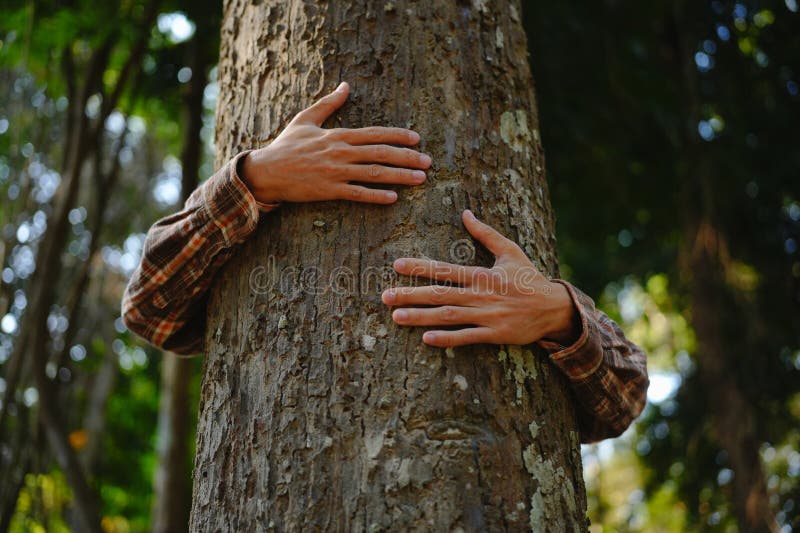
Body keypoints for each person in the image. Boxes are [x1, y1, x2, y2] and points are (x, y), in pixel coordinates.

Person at [121, 82, 648, 443]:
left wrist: (558, 314)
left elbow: (625, 400)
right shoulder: (238, 232)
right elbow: (150, 309)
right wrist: (254, 178)